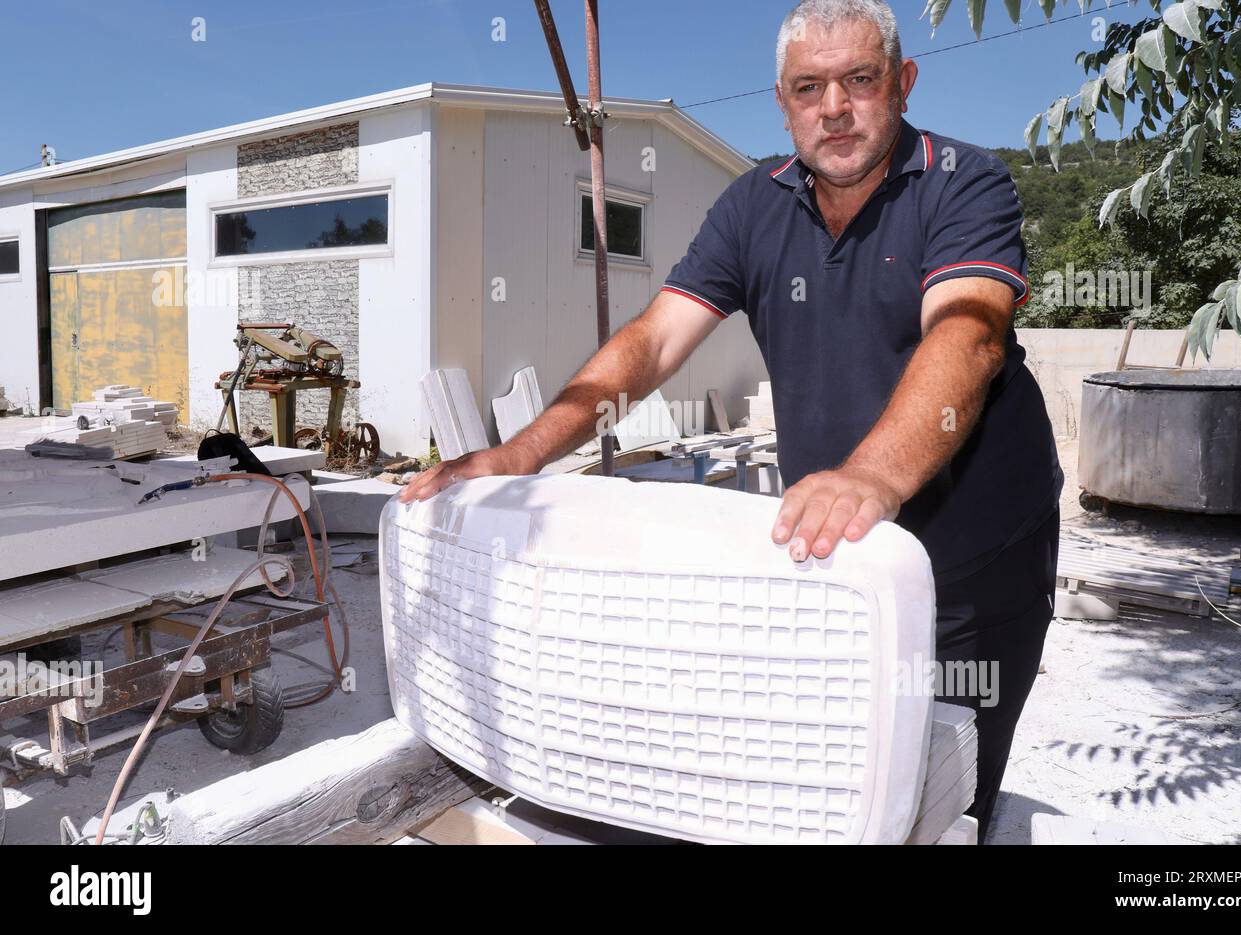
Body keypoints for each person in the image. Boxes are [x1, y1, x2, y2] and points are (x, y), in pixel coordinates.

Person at [401, 0, 1063, 843]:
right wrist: (521, 452)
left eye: (860, 80)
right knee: (842, 769)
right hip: (839, 550)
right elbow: (653, 341)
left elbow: (966, 336)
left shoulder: (963, 181)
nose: (835, 107)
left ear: (902, 83)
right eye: (808, 87)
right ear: (781, 102)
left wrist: (871, 475)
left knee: (947, 782)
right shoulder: (754, 206)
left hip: (978, 549)